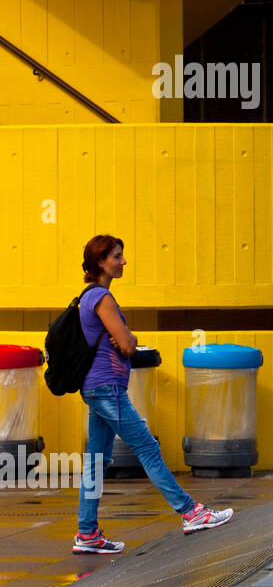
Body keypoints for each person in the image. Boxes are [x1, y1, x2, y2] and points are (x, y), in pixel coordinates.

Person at [74, 235, 233, 554]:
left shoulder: (88, 298)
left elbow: (122, 342)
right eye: (117, 256)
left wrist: (123, 339)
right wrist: (127, 338)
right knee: (146, 446)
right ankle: (191, 512)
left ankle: (87, 533)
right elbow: (129, 345)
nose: (123, 262)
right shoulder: (101, 299)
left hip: (97, 387)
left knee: (97, 461)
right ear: (101, 261)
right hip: (107, 388)